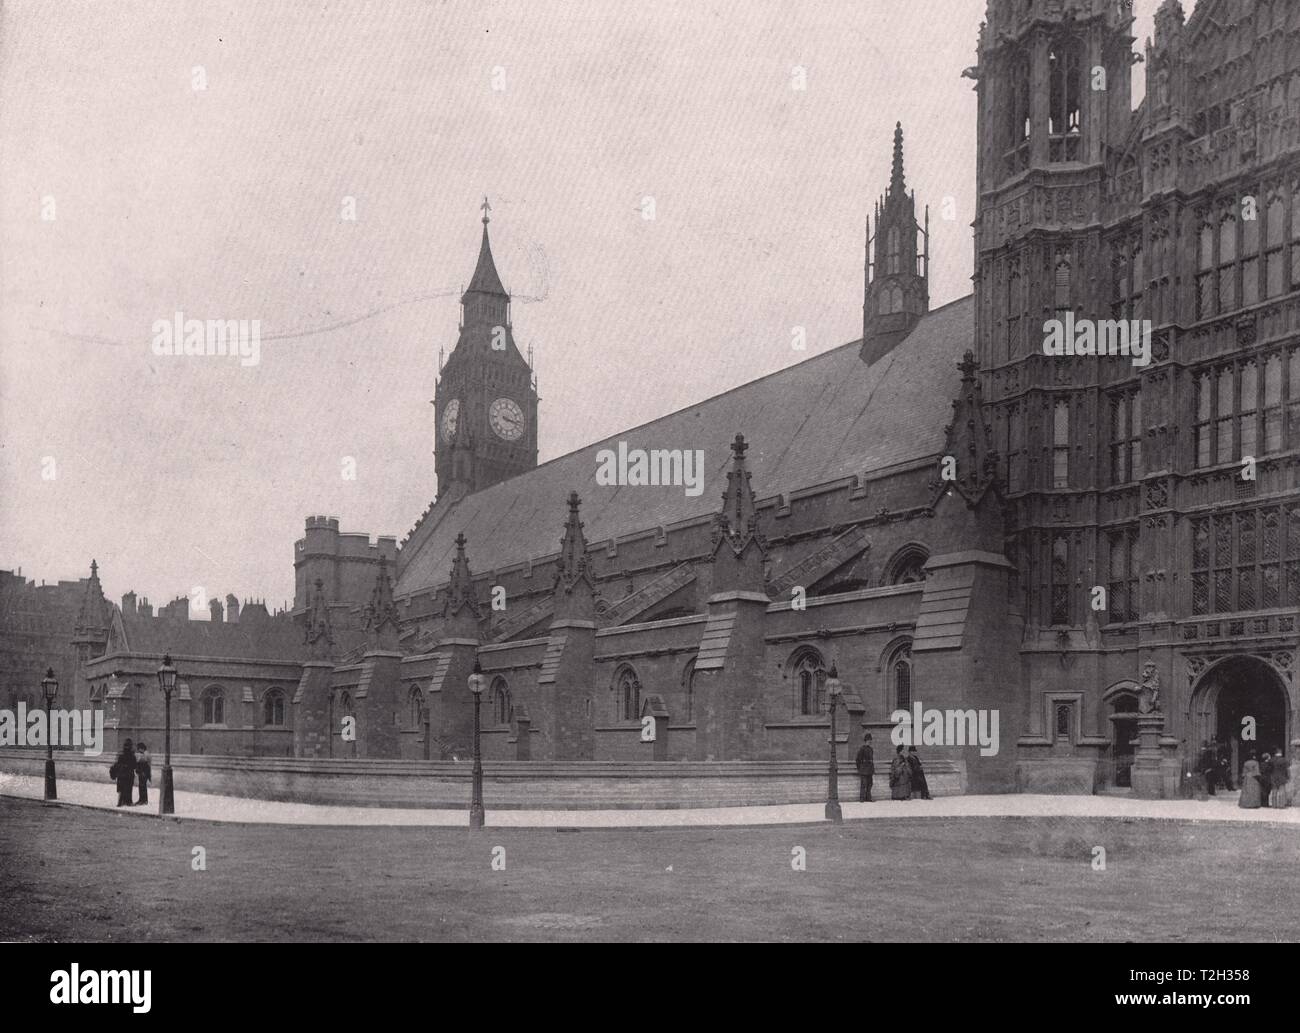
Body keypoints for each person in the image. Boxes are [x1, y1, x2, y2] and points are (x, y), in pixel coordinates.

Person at [110, 739, 136, 807]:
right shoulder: (132, 755)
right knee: (129, 788)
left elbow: (117, 764)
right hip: (129, 774)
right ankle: (128, 802)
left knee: (121, 789)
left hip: (121, 774)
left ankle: (120, 802)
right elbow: (134, 766)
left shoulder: (120, 755)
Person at [854, 733, 875, 802]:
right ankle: (862, 798)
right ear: (866, 741)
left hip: (869, 769)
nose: (870, 742)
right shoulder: (862, 749)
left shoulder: (871, 749)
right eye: (869, 740)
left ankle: (868, 798)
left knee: (870, 784)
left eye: (870, 740)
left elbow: (872, 760)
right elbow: (858, 760)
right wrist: (860, 768)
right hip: (864, 769)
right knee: (863, 784)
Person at [135, 741, 152, 805]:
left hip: (144, 772)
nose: (138, 751)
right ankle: (142, 799)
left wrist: (137, 757)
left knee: (142, 786)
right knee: (142, 786)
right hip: (143, 772)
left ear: (142, 748)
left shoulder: (146, 754)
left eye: (139, 749)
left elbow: (141, 760)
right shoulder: (145, 754)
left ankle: (143, 800)